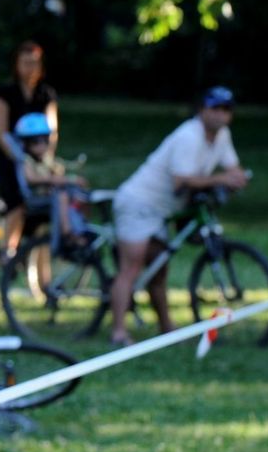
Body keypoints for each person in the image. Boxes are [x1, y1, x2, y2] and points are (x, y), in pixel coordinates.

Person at [108, 86, 249, 346]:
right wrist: (221, 178)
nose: (221, 115)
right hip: (139, 202)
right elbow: (180, 180)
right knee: (132, 268)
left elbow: (233, 167)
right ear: (202, 110)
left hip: (162, 210)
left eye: (226, 109)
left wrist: (237, 177)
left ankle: (166, 329)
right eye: (215, 108)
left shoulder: (222, 136)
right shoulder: (189, 136)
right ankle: (118, 332)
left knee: (159, 269)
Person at [0, 40, 58, 259]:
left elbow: (52, 131)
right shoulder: (5, 94)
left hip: (38, 159)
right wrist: (20, 159)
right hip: (10, 159)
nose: (30, 68)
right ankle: (7, 253)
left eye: (34, 63)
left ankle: (40, 269)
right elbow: (1, 133)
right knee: (16, 205)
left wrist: (44, 160)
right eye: (25, 63)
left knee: (45, 211)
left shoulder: (45, 94)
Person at [15, 112, 90, 255]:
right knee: (61, 196)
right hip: (36, 199)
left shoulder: (46, 160)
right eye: (36, 142)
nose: (42, 145)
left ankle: (82, 229)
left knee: (80, 195)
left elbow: (59, 171)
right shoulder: (26, 161)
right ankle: (67, 233)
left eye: (45, 140)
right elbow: (31, 178)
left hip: (51, 195)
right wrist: (58, 179)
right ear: (25, 144)